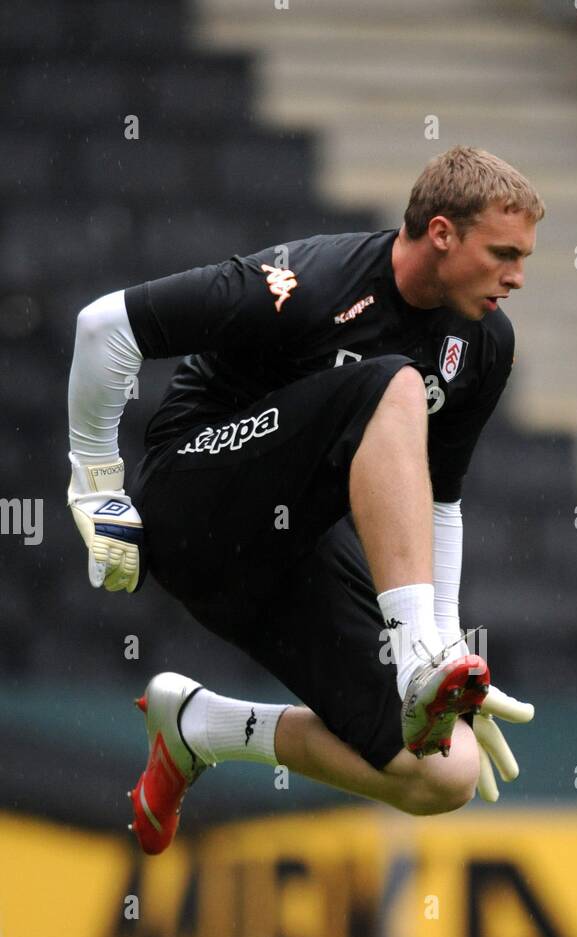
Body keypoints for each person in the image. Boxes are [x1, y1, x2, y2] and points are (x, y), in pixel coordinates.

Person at [66, 146, 542, 853]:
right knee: (394, 384)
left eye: (524, 257)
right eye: (503, 254)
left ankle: (201, 728)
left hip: (279, 557)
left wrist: (446, 645)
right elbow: (104, 325)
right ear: (442, 233)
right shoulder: (310, 282)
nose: (518, 277)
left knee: (446, 772)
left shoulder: (484, 343)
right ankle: (415, 654)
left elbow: (442, 501)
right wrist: (96, 483)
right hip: (189, 508)